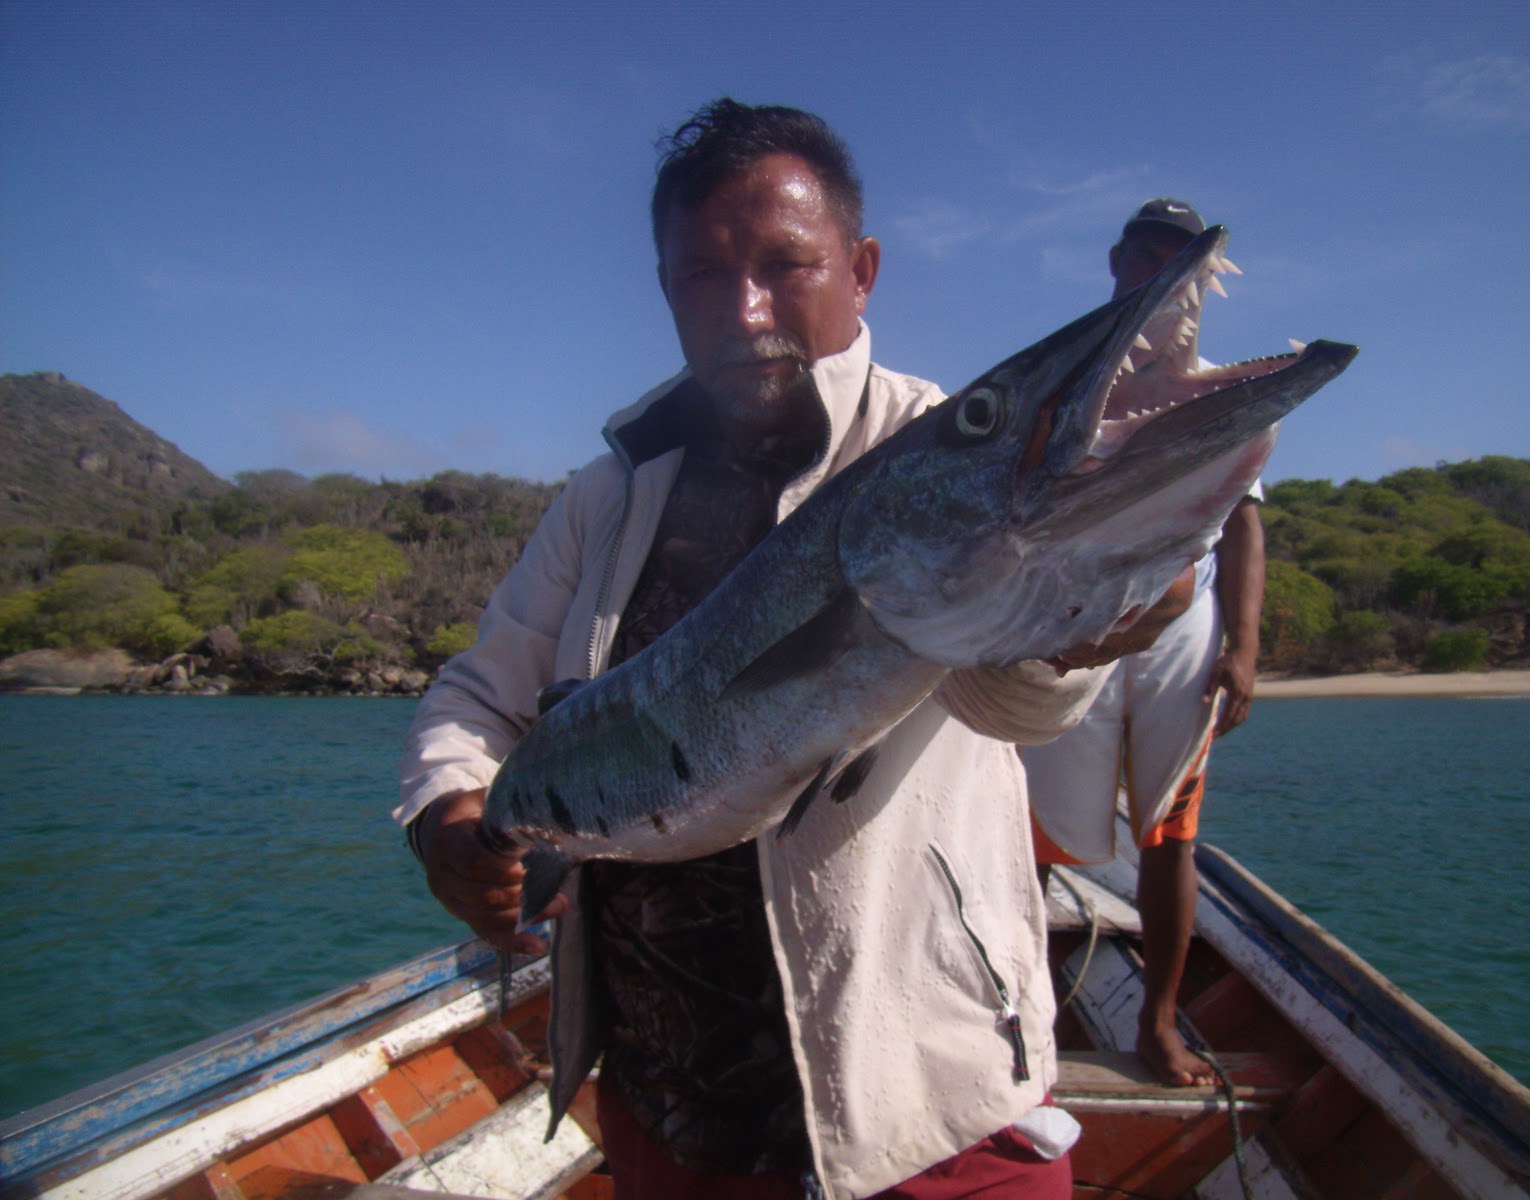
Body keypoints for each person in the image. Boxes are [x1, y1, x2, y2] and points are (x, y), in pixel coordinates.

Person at [397, 99, 1187, 1200]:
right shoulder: (606, 497)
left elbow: (1013, 707)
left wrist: (1080, 628)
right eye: (703, 278)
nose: (746, 310)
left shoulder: (941, 444)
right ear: (665, 288)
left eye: (785, 264)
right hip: (667, 1110)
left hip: (926, 1115)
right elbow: (480, 696)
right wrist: (448, 810)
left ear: (861, 270)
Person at [1023, 198, 1268, 1089]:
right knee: (1034, 840)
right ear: (1118, 263)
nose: (1163, 271)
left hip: (1182, 633)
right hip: (1077, 623)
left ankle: (1158, 1026)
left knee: (1170, 831)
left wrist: (1241, 647)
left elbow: (1242, 524)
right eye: (1148, 254)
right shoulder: (1060, 376)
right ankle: (1029, 1023)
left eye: (1182, 259)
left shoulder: (1227, 389)